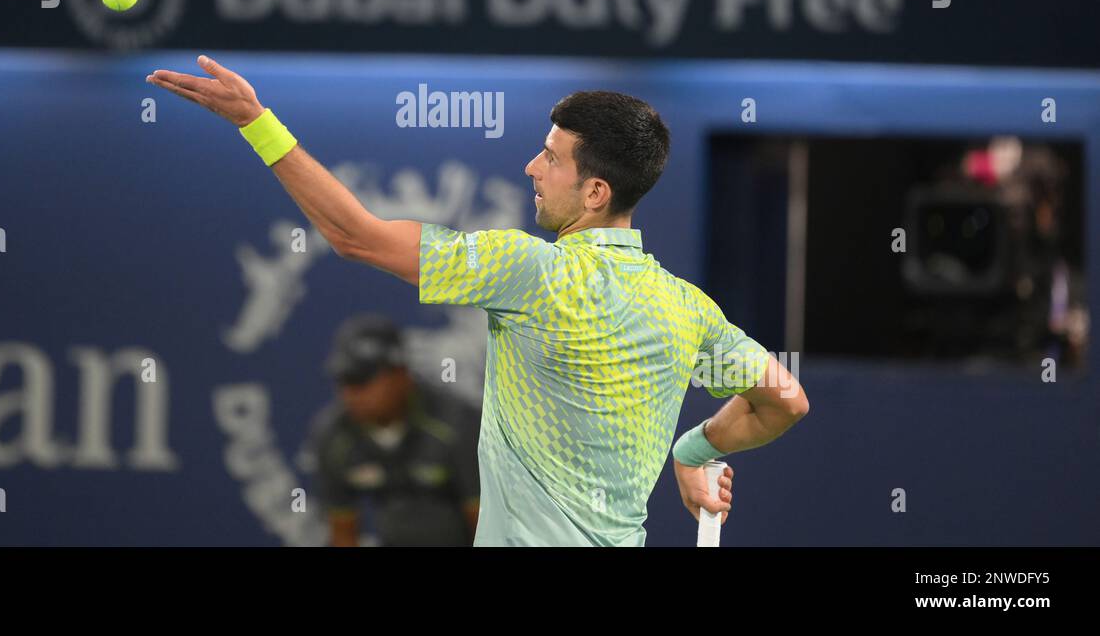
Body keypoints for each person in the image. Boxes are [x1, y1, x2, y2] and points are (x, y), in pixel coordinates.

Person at [147, 55, 810, 546]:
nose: (531, 166)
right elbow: (784, 398)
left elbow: (355, 235)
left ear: (596, 193)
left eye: (551, 157)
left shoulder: (529, 273)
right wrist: (693, 451)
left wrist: (254, 121)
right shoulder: (687, 309)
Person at [304, 313, 481, 546]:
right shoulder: (334, 436)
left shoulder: (458, 426)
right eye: (345, 381)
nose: (353, 394)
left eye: (363, 380)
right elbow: (343, 533)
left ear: (401, 375)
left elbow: (488, 527)